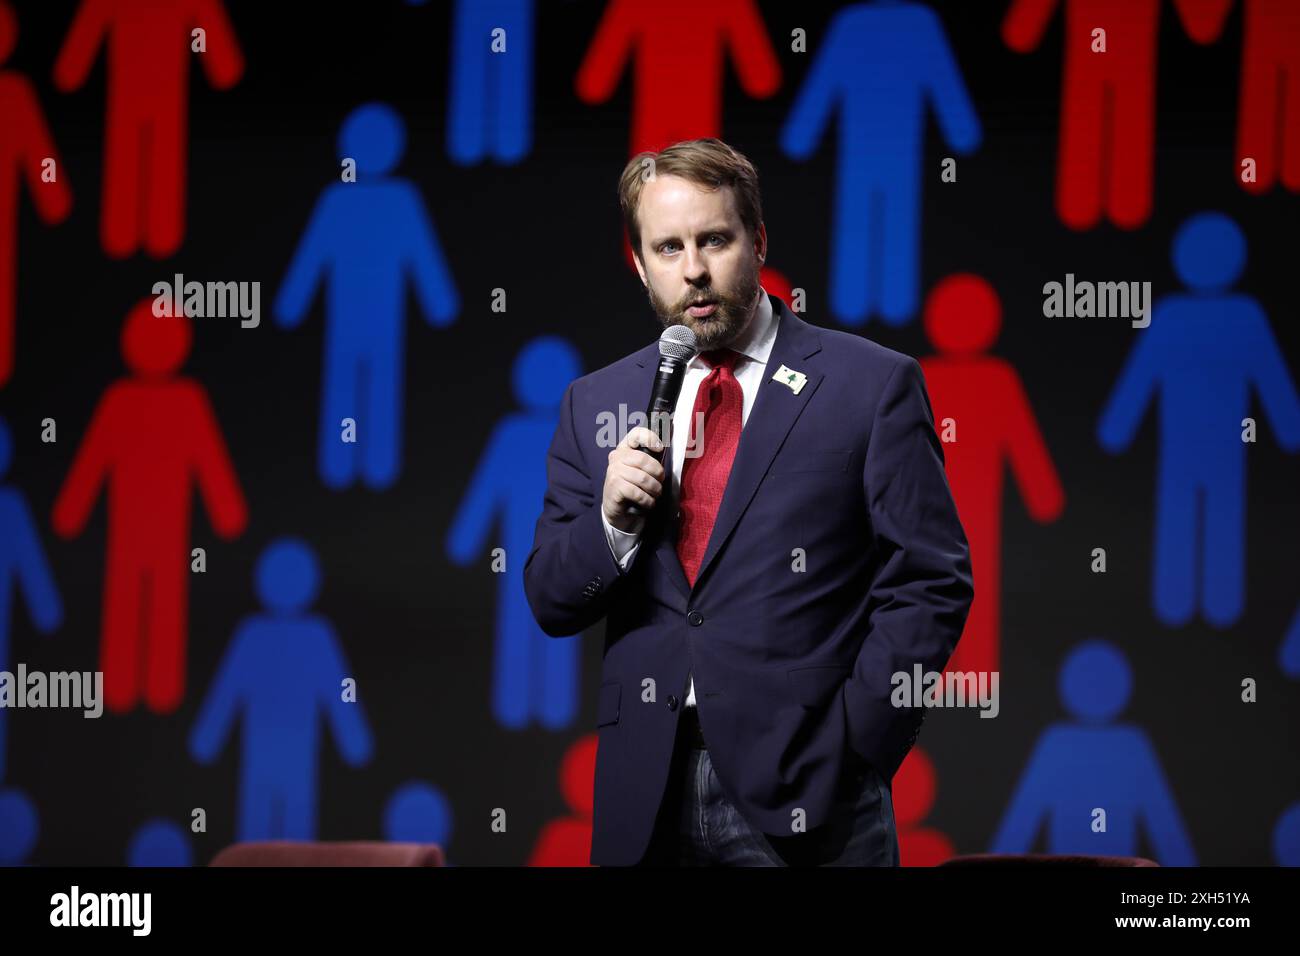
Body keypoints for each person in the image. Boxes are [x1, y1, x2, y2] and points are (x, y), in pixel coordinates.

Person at [523, 138, 973, 866]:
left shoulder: (870, 384)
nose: (694, 270)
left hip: (813, 792)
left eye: (715, 240)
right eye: (667, 248)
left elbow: (931, 579)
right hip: (646, 790)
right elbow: (549, 598)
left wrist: (860, 744)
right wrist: (610, 526)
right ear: (638, 262)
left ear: (758, 241)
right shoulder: (594, 401)